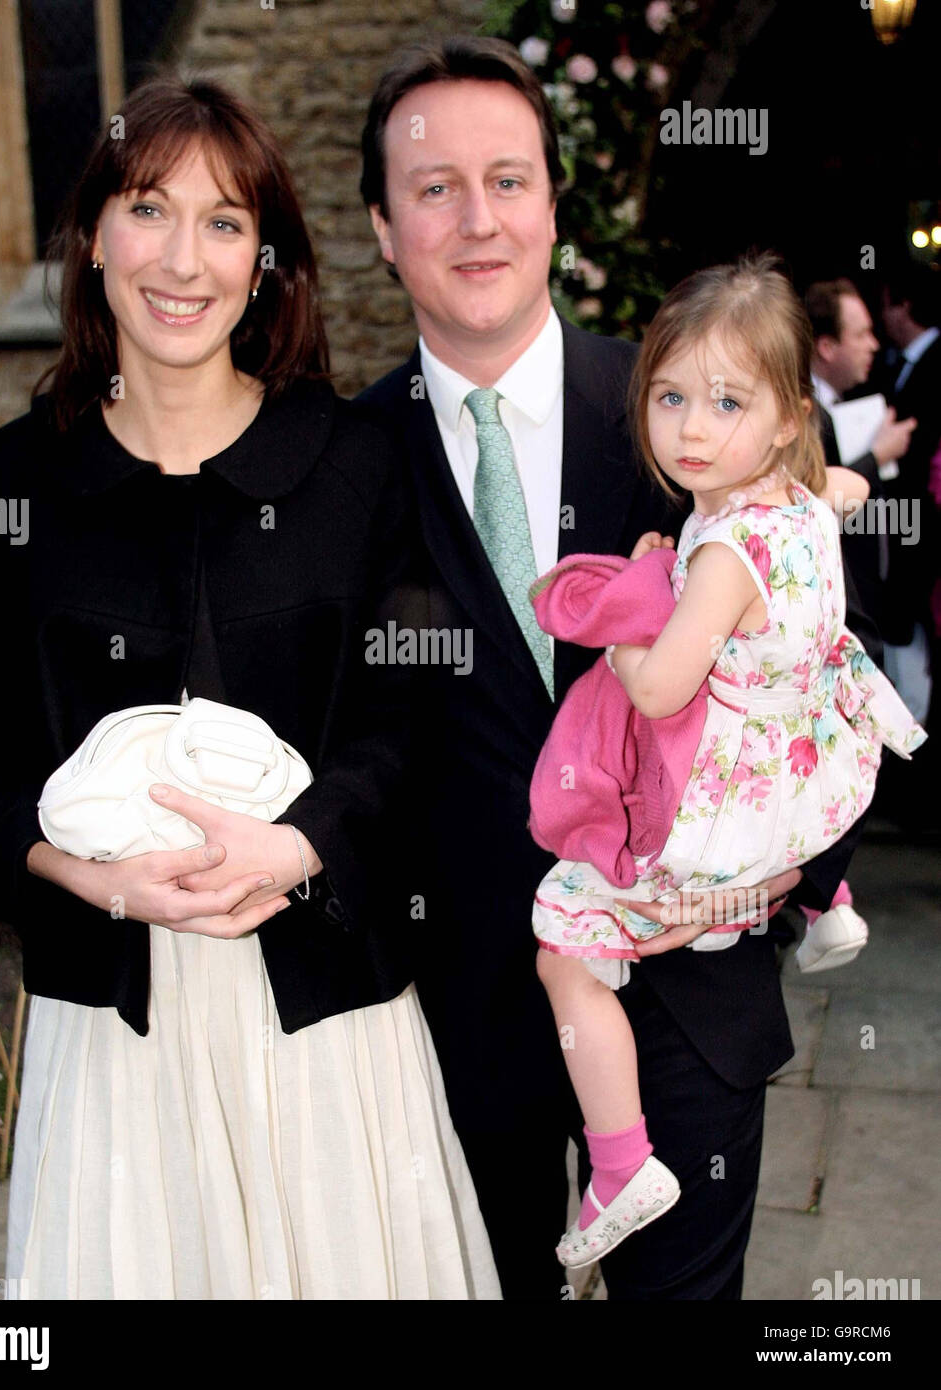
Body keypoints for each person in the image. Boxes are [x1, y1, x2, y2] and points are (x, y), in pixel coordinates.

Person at [0, 74, 500, 1301]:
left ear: (265, 260)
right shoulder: (12, 480)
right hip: (114, 1021)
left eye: (225, 220)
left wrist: (299, 847)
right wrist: (82, 873)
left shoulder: (356, 466)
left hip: (324, 1017)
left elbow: (409, 715)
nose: (183, 258)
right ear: (92, 241)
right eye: (148, 209)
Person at [356, 34, 876, 1300]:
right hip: (447, 1019)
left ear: (551, 202)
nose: (476, 220)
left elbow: (808, 649)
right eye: (434, 189)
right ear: (380, 227)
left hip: (692, 981)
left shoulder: (688, 413)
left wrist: (781, 867)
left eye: (507, 180)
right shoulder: (333, 461)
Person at [531, 256, 925, 1269]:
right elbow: (844, 484)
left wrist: (620, 627)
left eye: (723, 401)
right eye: (669, 397)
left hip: (714, 814)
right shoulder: (799, 495)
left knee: (564, 950)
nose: (691, 428)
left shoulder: (718, 554)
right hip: (801, 771)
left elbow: (659, 688)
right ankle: (823, 899)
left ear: (787, 415)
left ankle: (621, 1167)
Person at [806, 276, 915, 631]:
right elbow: (811, 498)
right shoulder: (801, 416)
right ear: (826, 346)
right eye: (860, 334)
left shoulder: (840, 407)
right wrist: (878, 456)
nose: (873, 345)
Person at [878, 262, 941, 726]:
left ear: (903, 306)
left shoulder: (938, 363)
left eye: (885, 306)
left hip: (925, 530)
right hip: (907, 532)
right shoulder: (903, 366)